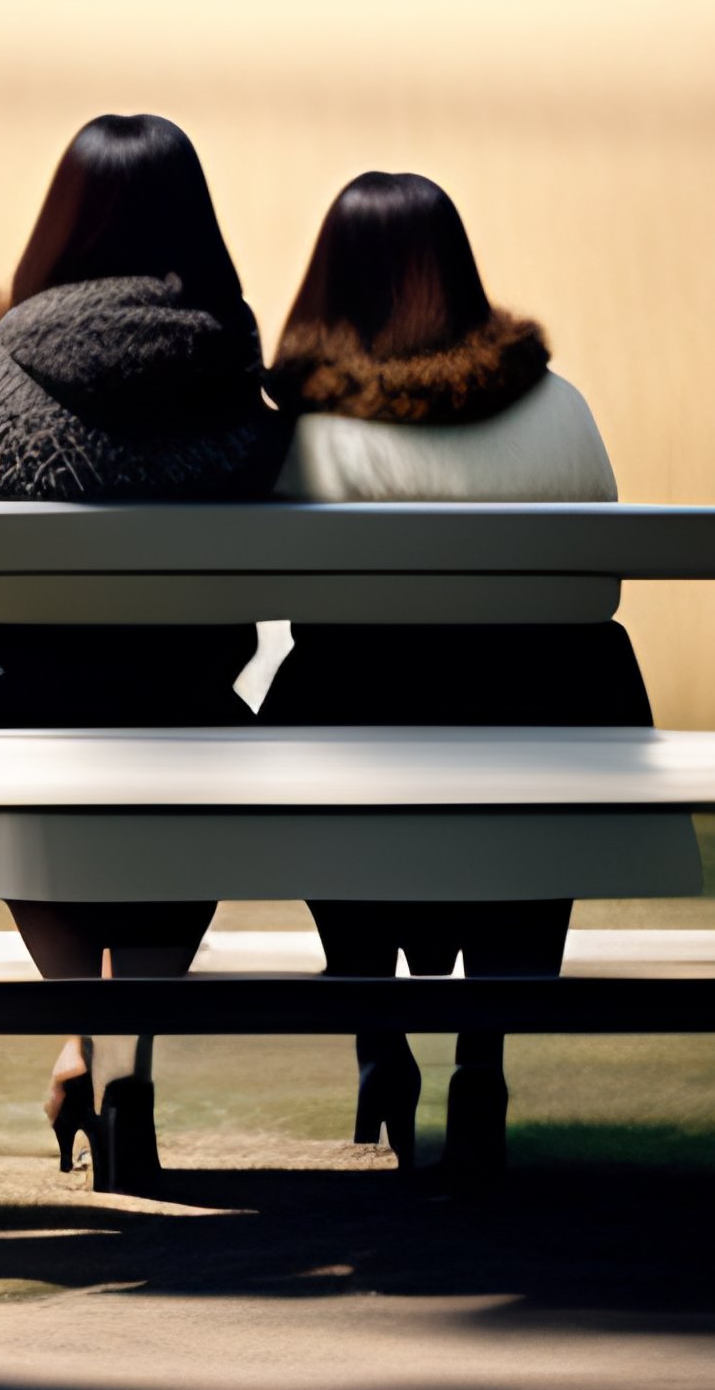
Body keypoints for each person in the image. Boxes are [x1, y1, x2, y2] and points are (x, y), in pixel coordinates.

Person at [0, 114, 283, 1169]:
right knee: (209, 734)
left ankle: (76, 1028)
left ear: (55, 227)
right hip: (186, 701)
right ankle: (129, 1054)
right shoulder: (245, 388)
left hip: (19, 699)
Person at [260, 170, 644, 1171]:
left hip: (364, 758)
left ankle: (376, 1039)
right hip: (541, 745)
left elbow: (278, 604)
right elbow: (598, 592)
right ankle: (484, 1054)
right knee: (569, 689)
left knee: (312, 698)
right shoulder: (557, 407)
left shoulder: (311, 436)